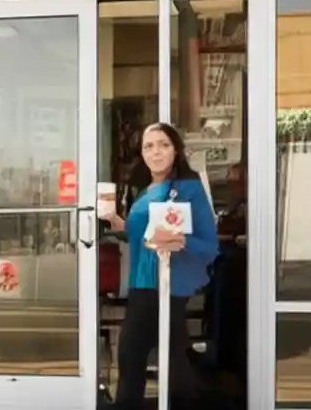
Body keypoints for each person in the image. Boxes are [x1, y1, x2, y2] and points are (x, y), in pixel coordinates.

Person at [103, 122, 219, 410]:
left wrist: (181, 240)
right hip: (142, 282)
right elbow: (140, 234)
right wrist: (116, 222)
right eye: (149, 146)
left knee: (135, 353)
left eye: (163, 144)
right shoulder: (147, 190)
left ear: (176, 149)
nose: (156, 152)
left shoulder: (188, 189)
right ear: (141, 153)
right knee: (168, 356)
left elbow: (209, 245)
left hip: (168, 282)